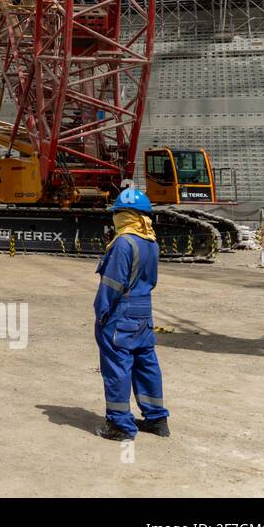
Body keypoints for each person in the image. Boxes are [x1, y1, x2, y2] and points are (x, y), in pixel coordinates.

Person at [93, 187, 170, 442]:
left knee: (117, 366)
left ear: (125, 215)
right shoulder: (151, 242)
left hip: (121, 312)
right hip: (144, 311)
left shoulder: (123, 243)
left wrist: (101, 312)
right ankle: (157, 419)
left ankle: (120, 425)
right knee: (146, 363)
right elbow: (153, 280)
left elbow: (112, 284)